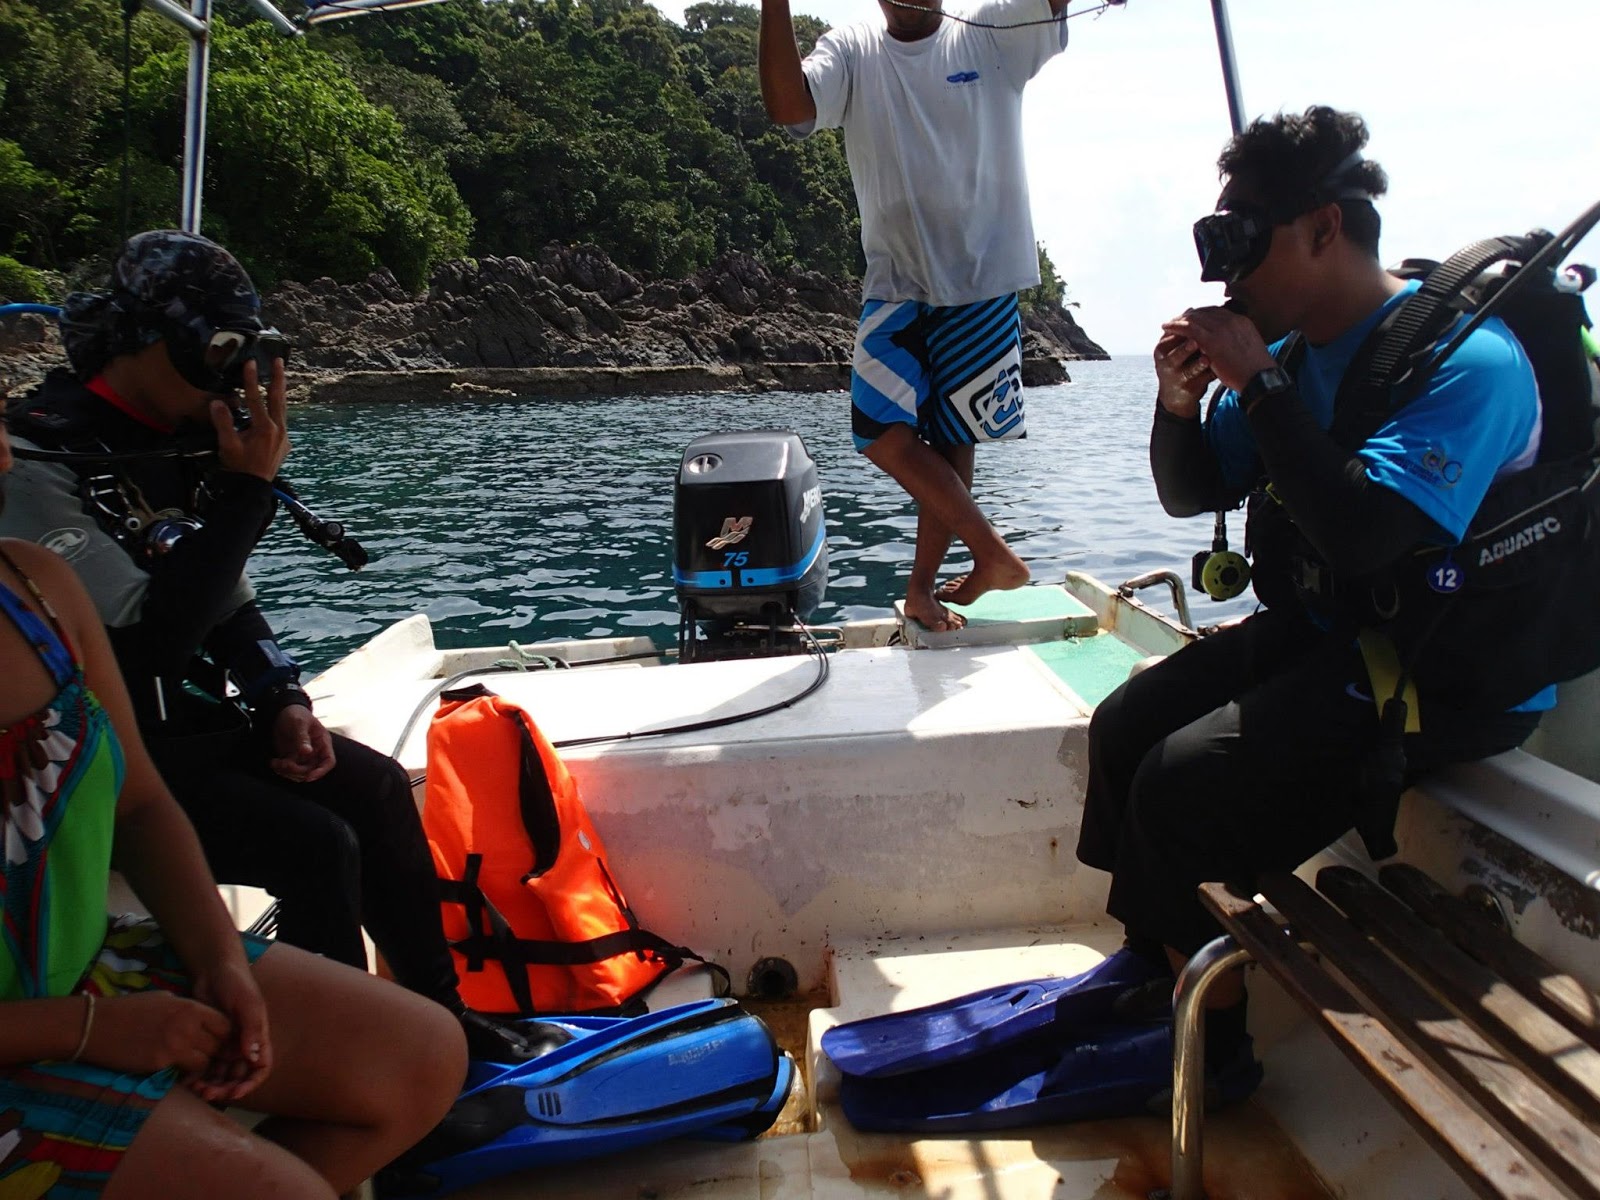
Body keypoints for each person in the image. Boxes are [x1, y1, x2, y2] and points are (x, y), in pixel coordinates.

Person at [1075, 107, 1552, 1076]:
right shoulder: (1298, 356)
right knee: (1125, 729)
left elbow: (1368, 536)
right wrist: (1180, 401)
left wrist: (1257, 382)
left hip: (1448, 672)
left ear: (1324, 228)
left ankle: (1212, 1054)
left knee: (1183, 786)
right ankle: (1150, 963)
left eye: (1243, 242)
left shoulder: (1468, 363)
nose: (1226, 277)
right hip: (1341, 634)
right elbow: (1194, 493)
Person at [0, 230, 555, 1064]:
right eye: (215, 350)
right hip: (95, 763)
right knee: (314, 843)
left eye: (243, 351)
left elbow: (219, 594)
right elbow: (147, 641)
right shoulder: (42, 460)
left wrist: (280, 697)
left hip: (184, 732)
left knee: (372, 788)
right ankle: (339, 1063)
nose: (231, 375)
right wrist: (247, 493)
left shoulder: (179, 435)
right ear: (146, 337)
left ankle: (442, 1021)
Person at [0, 400, 466, 1198]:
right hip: (40, 1027)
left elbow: (140, 805)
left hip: (78, 973)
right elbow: (162, 632)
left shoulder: (38, 587)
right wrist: (88, 1031)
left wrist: (221, 961)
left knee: (422, 1057)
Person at [758, 0, 1073, 631]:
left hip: (983, 280)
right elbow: (790, 107)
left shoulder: (990, 32)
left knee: (954, 440)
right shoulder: (853, 48)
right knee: (878, 430)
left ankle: (923, 590)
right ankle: (992, 552)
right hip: (895, 282)